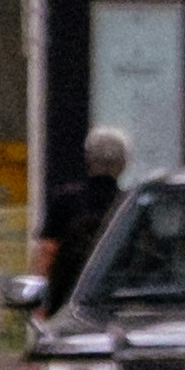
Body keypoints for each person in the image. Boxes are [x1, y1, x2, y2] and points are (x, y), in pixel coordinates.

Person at [39, 118, 132, 306]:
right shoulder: (129, 204)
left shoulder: (65, 199)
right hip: (116, 301)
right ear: (123, 164)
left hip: (64, 300)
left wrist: (38, 299)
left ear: (88, 160)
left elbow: (48, 250)